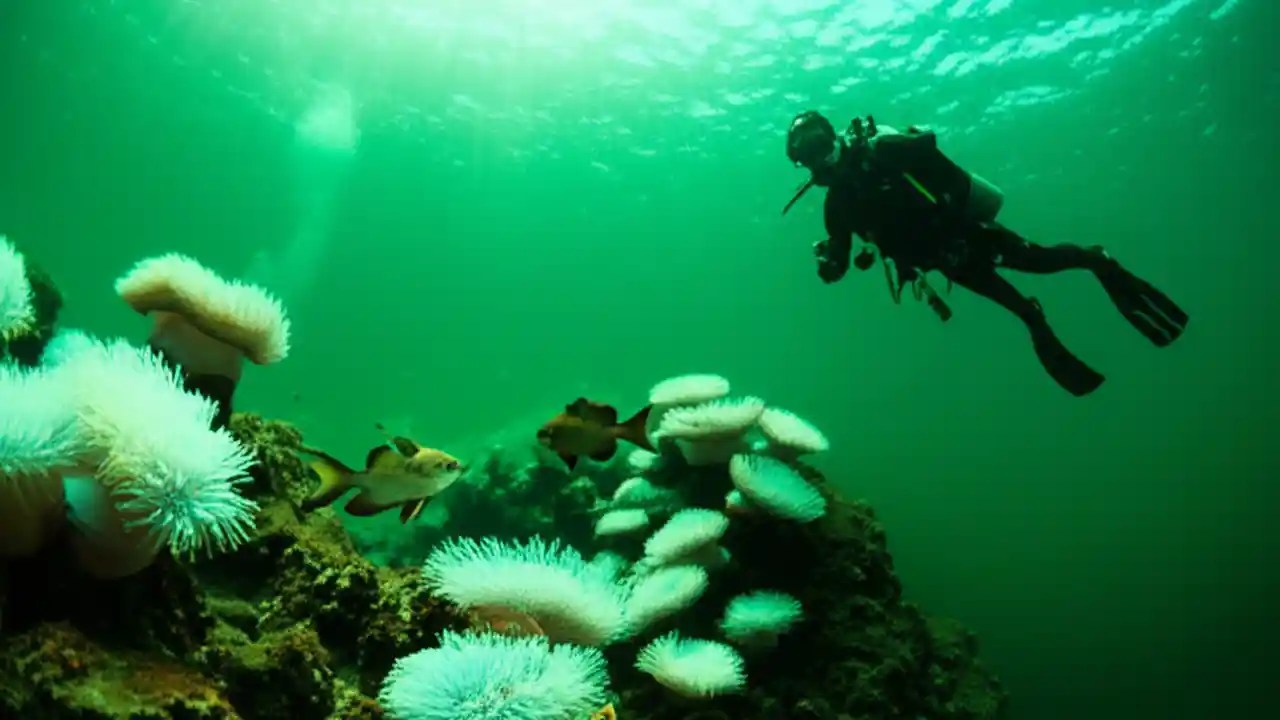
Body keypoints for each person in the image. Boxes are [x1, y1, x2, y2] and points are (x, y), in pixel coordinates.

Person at [782, 110, 1188, 396]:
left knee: (1040, 261)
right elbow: (839, 254)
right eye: (806, 156)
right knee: (1023, 311)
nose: (818, 160)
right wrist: (829, 266)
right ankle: (1040, 322)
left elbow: (946, 170)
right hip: (946, 264)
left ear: (833, 136)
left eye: (819, 146)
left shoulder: (882, 152)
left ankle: (1097, 259)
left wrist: (952, 219)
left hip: (972, 236)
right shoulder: (837, 206)